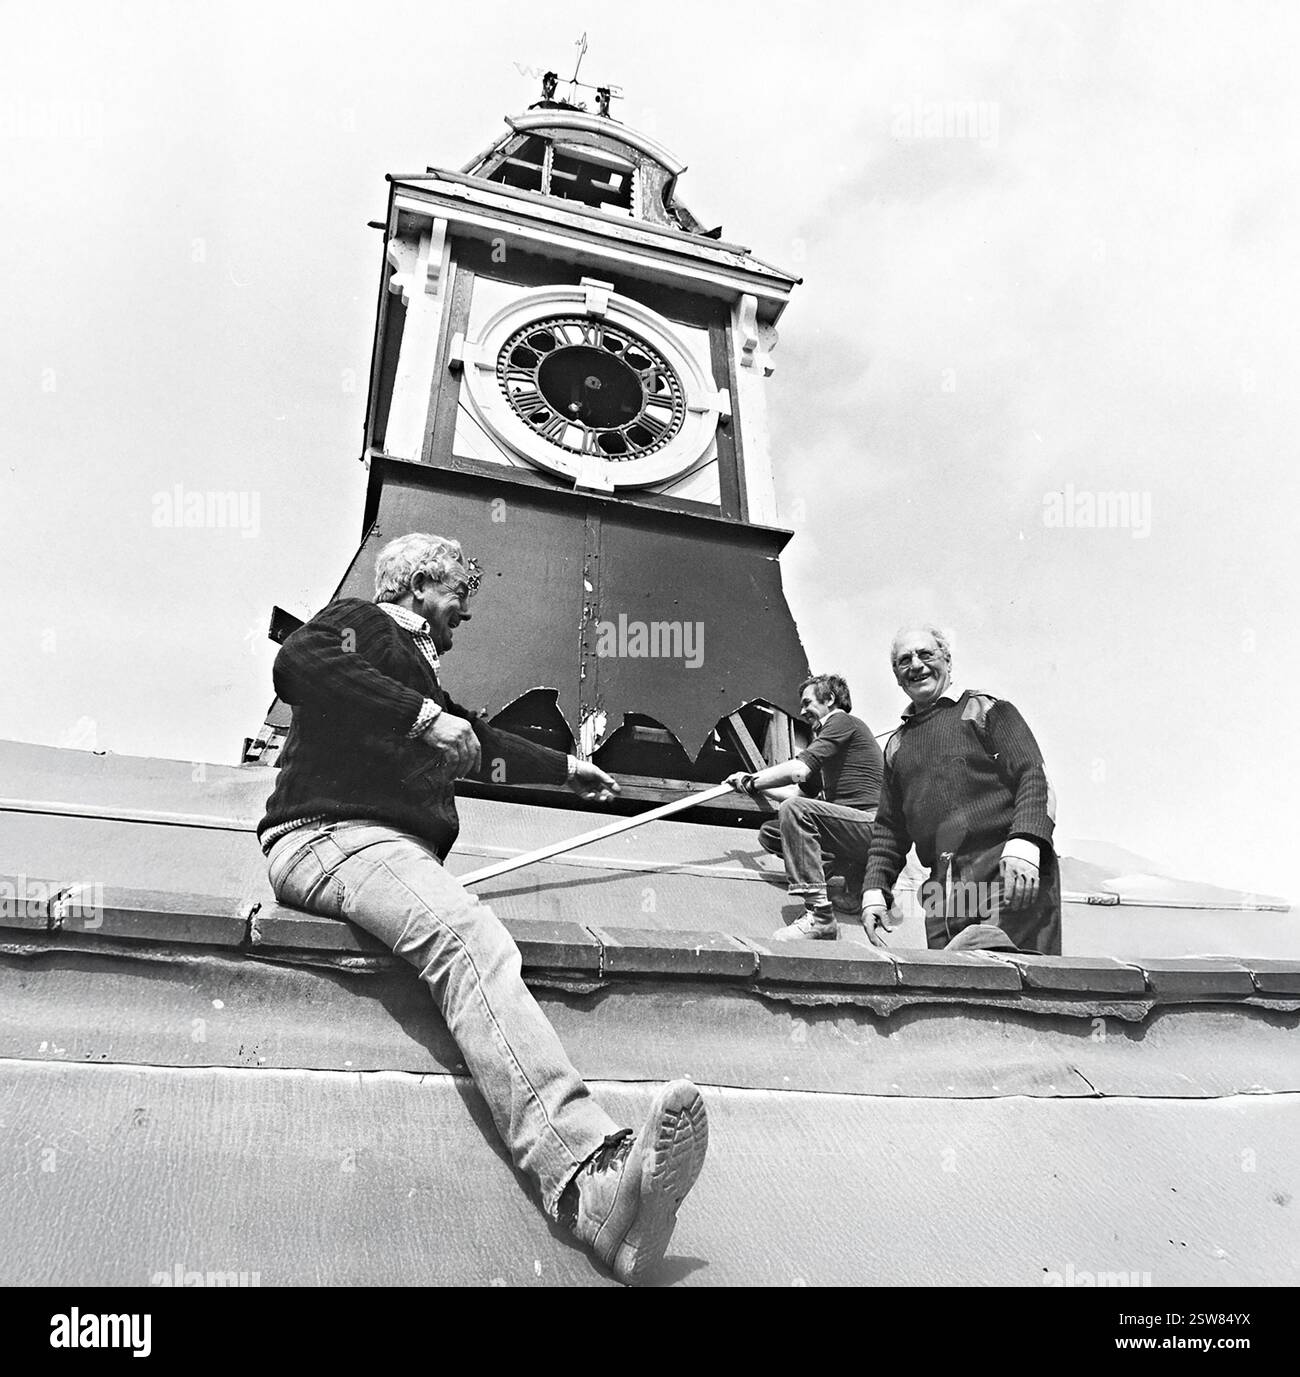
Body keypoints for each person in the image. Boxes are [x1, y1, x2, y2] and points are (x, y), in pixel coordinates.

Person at [257, 532, 708, 1284]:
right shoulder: (366, 622)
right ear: (418, 585)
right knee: (473, 943)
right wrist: (421, 719)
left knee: (470, 937)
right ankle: (590, 1181)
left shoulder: (414, 672)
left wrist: (567, 768)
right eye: (458, 592)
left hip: (377, 847)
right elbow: (299, 660)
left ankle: (621, 1228)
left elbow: (481, 739)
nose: (464, 611)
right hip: (331, 833)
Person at [861, 625, 1061, 954]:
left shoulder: (985, 710)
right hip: (942, 889)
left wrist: (1025, 842)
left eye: (926, 654)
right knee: (950, 979)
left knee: (1006, 972)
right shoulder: (897, 745)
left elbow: (1033, 776)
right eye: (904, 660)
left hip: (1005, 869)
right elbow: (889, 829)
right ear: (897, 676)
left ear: (948, 661)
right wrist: (874, 892)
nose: (916, 665)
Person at [725, 674, 883, 942]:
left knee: (795, 811)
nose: (801, 711)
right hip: (853, 831)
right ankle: (852, 878)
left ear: (830, 699)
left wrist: (753, 780)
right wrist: (753, 785)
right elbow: (797, 793)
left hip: (874, 829)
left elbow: (798, 772)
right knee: (772, 832)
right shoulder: (827, 744)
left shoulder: (841, 722)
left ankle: (820, 916)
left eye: (807, 702)